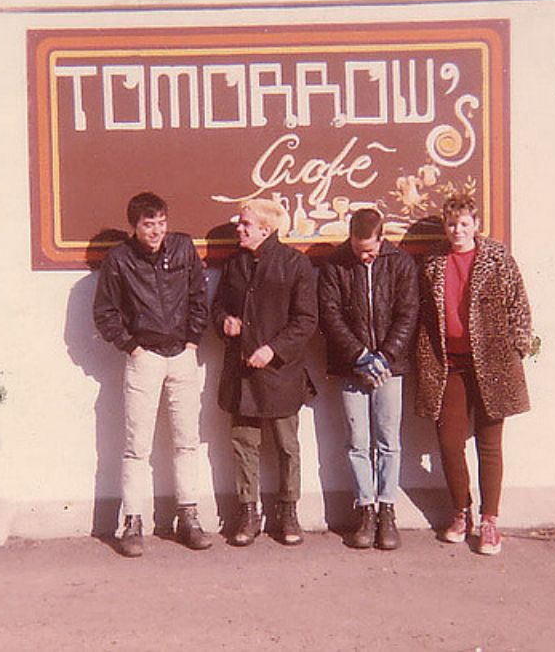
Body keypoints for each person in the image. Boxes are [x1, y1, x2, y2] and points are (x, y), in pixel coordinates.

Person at [93, 191, 211, 557]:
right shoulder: (119, 259)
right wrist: (132, 347)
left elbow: (199, 296)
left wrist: (192, 341)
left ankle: (189, 517)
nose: (157, 231)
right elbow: (105, 312)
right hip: (144, 359)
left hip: (182, 357)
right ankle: (132, 522)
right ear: (134, 226)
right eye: (148, 224)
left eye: (161, 222)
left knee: (187, 441)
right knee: (136, 447)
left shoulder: (183, 248)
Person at [415, 194, 532, 555]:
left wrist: (518, 345)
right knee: (450, 442)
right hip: (450, 364)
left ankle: (490, 521)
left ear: (476, 225)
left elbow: (518, 302)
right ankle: (460, 512)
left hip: (492, 363)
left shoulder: (496, 257)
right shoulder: (433, 262)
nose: (458, 230)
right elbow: (424, 312)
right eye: (452, 224)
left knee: (489, 444)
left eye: (464, 223)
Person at [212, 198, 318, 546]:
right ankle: (248, 513)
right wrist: (224, 321)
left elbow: (306, 320)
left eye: (246, 224)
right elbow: (218, 306)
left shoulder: (295, 264)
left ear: (266, 229)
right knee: (244, 445)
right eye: (240, 223)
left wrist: (273, 350)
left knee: (287, 446)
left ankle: (288, 512)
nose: (239, 228)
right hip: (242, 373)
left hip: (280, 373)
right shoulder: (235, 264)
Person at [318, 208, 419, 550]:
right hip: (352, 367)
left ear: (382, 238)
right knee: (357, 441)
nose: (364, 256)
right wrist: (359, 355)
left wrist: (385, 356)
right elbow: (330, 314)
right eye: (358, 249)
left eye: (370, 250)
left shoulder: (400, 263)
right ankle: (365, 509)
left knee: (388, 440)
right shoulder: (335, 265)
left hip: (389, 368)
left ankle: (387, 508)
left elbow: (408, 312)